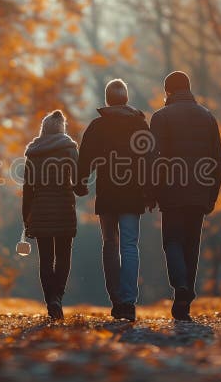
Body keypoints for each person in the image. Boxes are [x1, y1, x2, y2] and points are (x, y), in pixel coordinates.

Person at [150, 71, 221, 321]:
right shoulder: (208, 117)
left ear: (168, 91)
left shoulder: (160, 117)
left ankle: (180, 287)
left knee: (172, 240)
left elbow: (154, 158)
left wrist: (153, 190)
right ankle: (185, 301)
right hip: (200, 190)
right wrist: (212, 194)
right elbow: (218, 160)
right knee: (192, 244)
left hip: (171, 189)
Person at [76, 79, 151, 322]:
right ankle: (129, 302)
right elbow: (151, 158)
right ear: (126, 98)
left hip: (108, 192)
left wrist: (80, 182)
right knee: (130, 245)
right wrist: (151, 190)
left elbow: (85, 155)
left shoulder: (98, 126)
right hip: (133, 193)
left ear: (108, 99)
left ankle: (116, 300)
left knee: (110, 244)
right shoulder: (139, 124)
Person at [22, 110, 82, 320]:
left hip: (40, 210)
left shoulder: (33, 152)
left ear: (44, 128)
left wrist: (26, 216)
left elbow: (28, 188)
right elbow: (77, 181)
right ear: (61, 128)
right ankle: (57, 297)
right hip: (64, 208)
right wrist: (82, 188)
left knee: (46, 259)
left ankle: (50, 301)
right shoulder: (69, 149)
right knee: (63, 256)